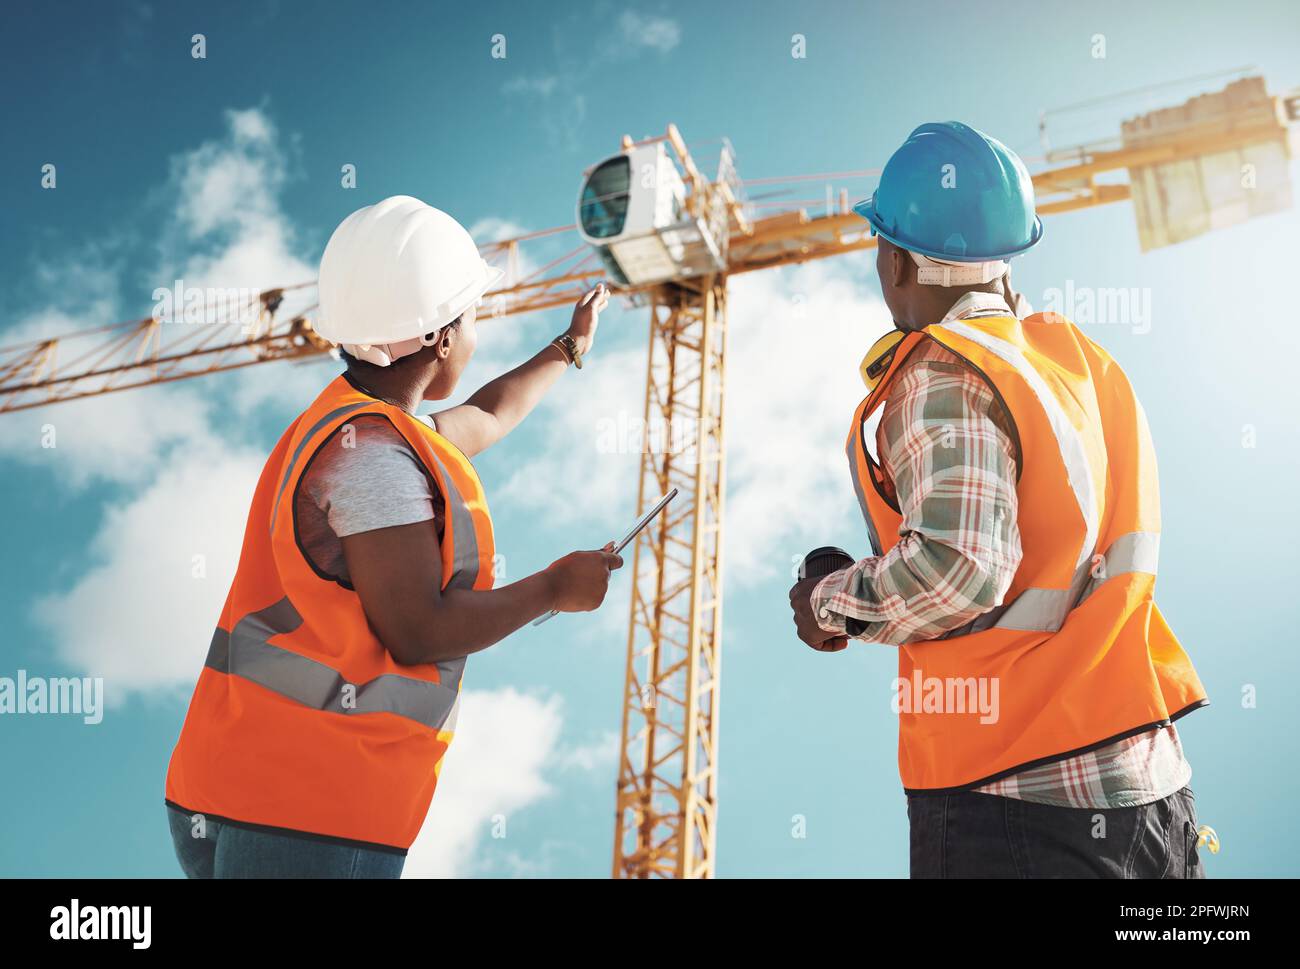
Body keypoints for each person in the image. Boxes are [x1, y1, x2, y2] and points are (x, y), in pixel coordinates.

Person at [787, 124, 1209, 878]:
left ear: (900, 260)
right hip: (1147, 790)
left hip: (1018, 793)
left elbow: (960, 569)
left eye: (879, 247)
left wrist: (827, 599)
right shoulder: (1073, 363)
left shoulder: (943, 373)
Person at [165, 195, 622, 878]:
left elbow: (489, 414)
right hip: (310, 811)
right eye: (470, 318)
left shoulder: (351, 423)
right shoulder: (372, 458)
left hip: (230, 783)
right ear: (440, 336)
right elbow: (415, 627)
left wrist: (569, 346)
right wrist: (556, 587)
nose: (474, 334)